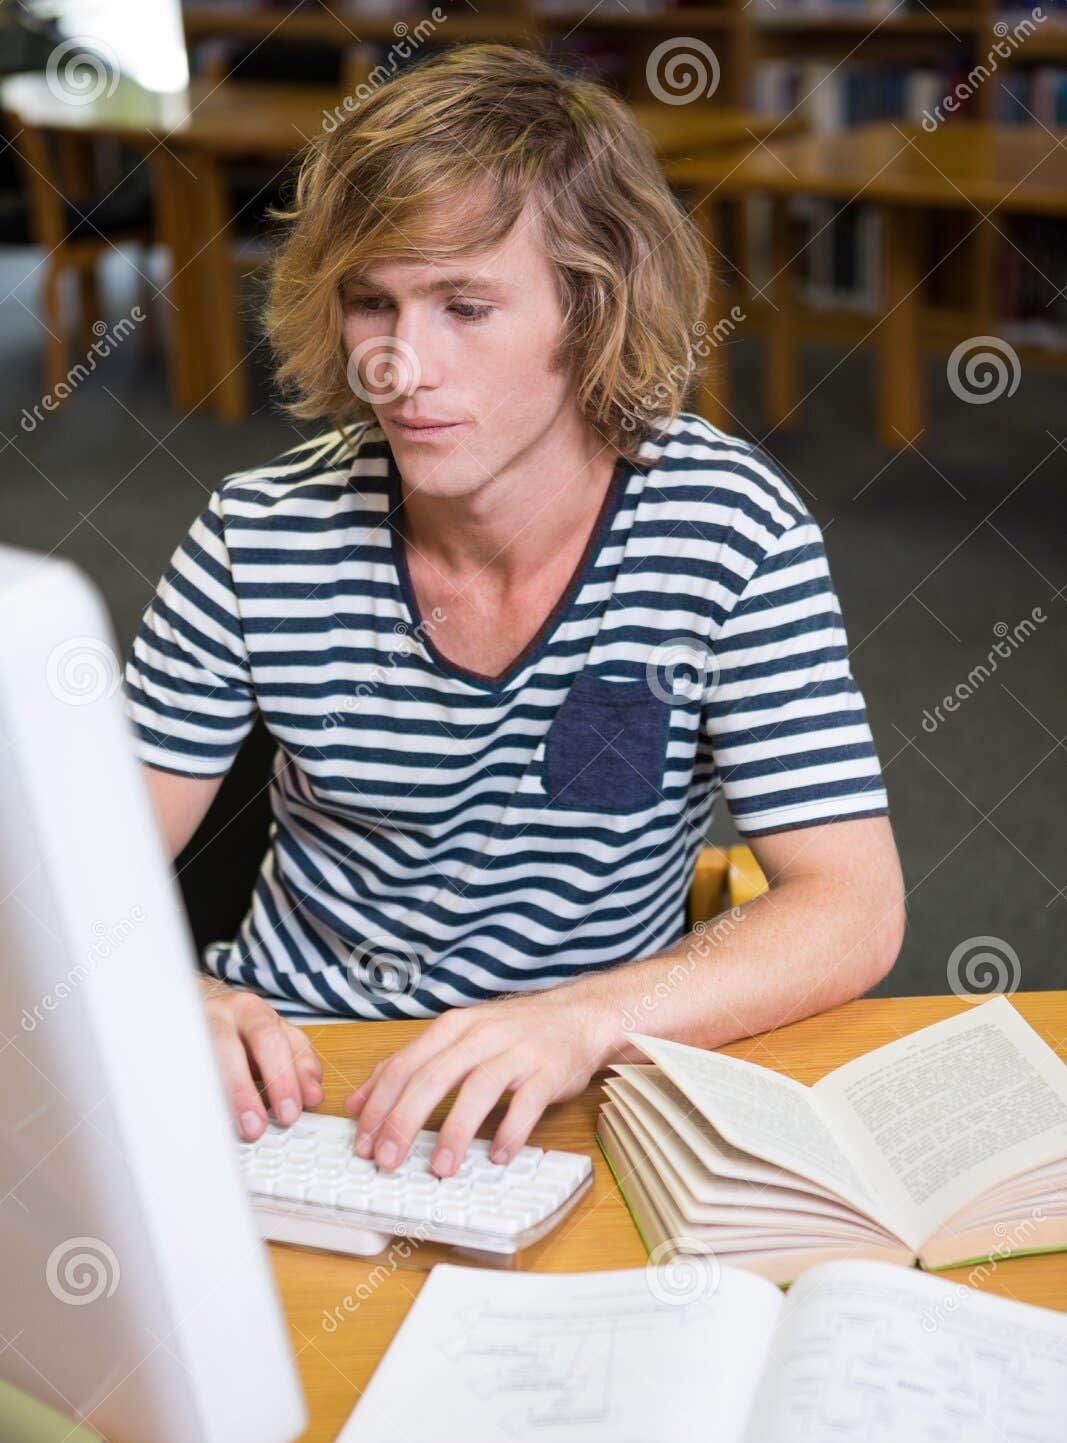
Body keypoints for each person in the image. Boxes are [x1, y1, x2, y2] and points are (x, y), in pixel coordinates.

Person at [125, 44, 905, 1178]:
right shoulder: (260, 534)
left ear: (589, 310)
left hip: (575, 1091)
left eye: (466, 305)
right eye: (371, 303)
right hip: (298, 1082)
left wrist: (583, 1019)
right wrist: (170, 991)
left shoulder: (727, 528)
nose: (400, 366)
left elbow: (851, 903)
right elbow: (64, 888)